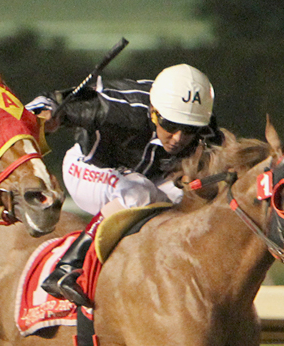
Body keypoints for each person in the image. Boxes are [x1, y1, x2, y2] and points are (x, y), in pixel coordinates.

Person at [28, 64, 221, 307]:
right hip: (89, 169)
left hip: (144, 178)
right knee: (139, 193)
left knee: (191, 199)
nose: (179, 138)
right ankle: (68, 267)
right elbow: (51, 100)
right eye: (170, 125)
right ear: (153, 111)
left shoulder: (205, 125)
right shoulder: (118, 106)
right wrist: (45, 114)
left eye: (190, 130)